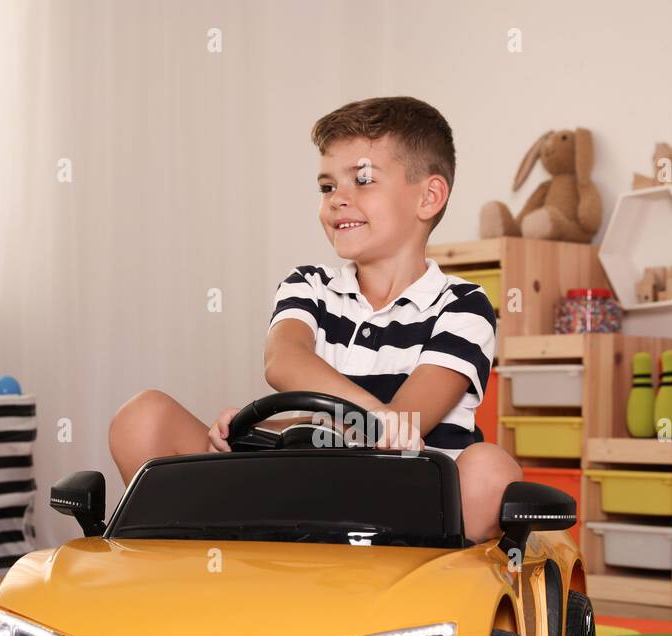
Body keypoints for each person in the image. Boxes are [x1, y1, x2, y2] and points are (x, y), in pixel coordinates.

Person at [108, 95, 521, 542]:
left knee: (489, 466)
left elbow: (405, 424)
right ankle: (190, 572)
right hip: (306, 495)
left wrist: (363, 420)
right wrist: (250, 432)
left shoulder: (462, 304)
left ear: (428, 196)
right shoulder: (309, 285)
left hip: (408, 510)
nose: (338, 200)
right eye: (327, 187)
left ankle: (433, 589)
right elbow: (284, 361)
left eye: (362, 180)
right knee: (143, 415)